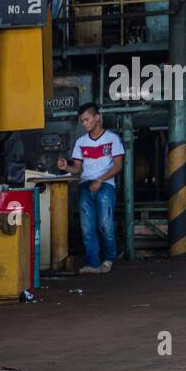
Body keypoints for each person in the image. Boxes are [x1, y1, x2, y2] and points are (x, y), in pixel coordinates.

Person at [57, 102, 124, 274]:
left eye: (87, 120)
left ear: (97, 117)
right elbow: (78, 169)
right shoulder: (81, 142)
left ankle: (108, 259)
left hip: (105, 186)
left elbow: (118, 166)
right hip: (86, 186)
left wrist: (100, 180)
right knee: (87, 227)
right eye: (82, 121)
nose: (85, 124)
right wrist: (66, 167)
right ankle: (93, 263)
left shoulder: (112, 139)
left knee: (105, 225)